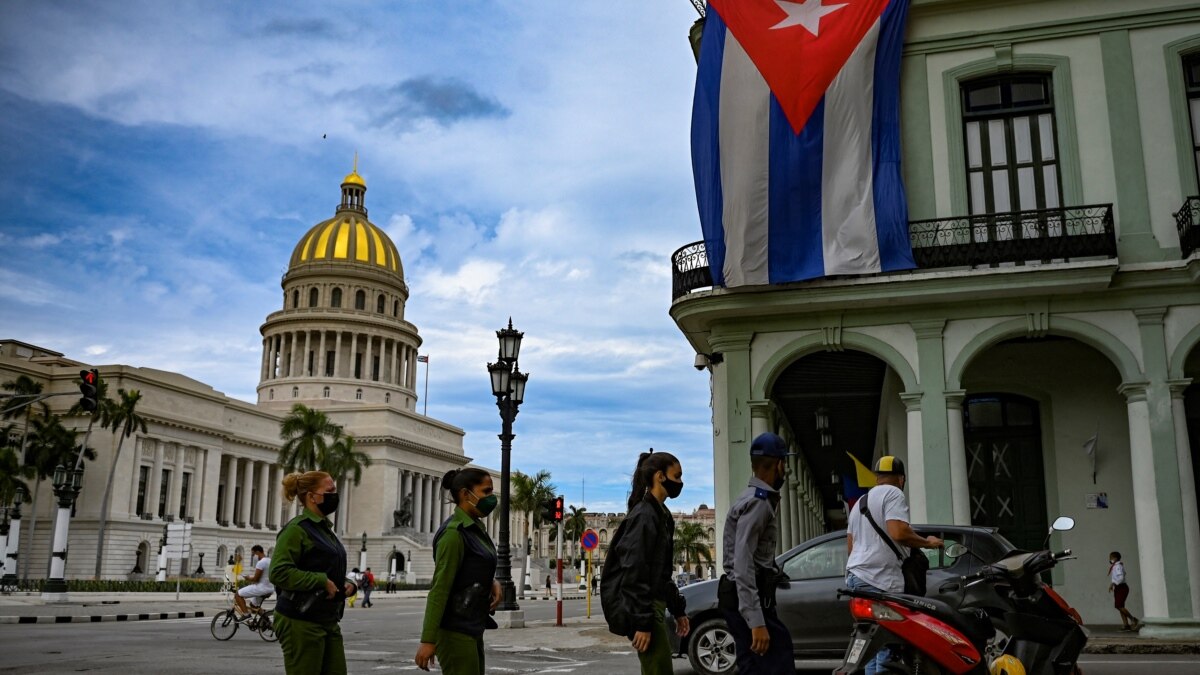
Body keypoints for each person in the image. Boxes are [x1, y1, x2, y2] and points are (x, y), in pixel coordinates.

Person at [845, 455, 943, 675]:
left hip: (856, 578)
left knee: (869, 644)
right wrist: (927, 542)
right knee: (887, 645)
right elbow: (898, 532)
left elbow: (851, 547)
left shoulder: (860, 502)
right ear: (901, 479)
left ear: (878, 477)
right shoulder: (894, 493)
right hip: (880, 579)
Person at [600, 450, 690, 675]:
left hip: (654, 607)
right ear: (660, 476)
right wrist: (642, 623)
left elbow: (661, 572)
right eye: (677, 476)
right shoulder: (644, 515)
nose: (680, 482)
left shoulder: (662, 515)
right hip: (646, 609)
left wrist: (677, 609)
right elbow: (634, 570)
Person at [414, 468, 502, 674]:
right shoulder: (454, 534)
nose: (491, 498)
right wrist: (428, 640)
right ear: (465, 494)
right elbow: (440, 589)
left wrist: (491, 581)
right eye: (486, 491)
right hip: (455, 631)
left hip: (472, 626)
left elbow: (473, 567)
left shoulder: (475, 529)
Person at [719, 432, 793, 674]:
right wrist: (757, 622)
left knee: (752, 667)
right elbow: (743, 564)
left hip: (742, 595)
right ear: (779, 464)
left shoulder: (751, 498)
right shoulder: (759, 504)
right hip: (750, 598)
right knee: (777, 664)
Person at [270, 470, 356, 675]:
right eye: (329, 490)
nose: (335, 495)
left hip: (327, 618)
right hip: (300, 620)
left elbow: (323, 567)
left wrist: (346, 583)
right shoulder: (296, 529)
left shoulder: (324, 529)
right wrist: (321, 581)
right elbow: (279, 572)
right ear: (311, 496)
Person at [234, 544, 272, 617]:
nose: (253, 556)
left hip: (262, 588)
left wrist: (247, 578)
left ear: (257, 552)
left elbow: (256, 579)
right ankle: (265, 620)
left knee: (237, 595)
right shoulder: (270, 561)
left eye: (253, 554)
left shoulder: (261, 562)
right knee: (253, 605)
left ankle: (246, 615)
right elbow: (263, 576)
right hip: (270, 588)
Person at [1109, 551, 1140, 631]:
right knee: (1120, 606)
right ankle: (1126, 625)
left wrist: (1113, 584)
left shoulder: (1118, 566)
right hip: (1118, 587)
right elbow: (1123, 574)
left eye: (1111, 557)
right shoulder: (1116, 566)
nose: (1110, 559)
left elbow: (1121, 577)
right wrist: (1113, 584)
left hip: (1122, 587)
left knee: (1119, 605)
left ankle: (1133, 619)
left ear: (1115, 558)